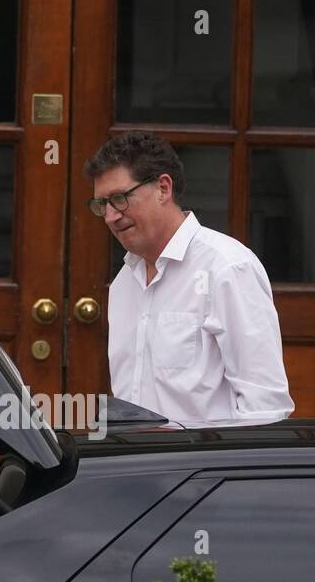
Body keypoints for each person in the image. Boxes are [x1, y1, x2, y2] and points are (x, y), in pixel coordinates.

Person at [84, 130, 294, 425]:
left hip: (206, 467)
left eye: (119, 199)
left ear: (163, 188)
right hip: (138, 463)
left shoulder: (227, 268)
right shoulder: (124, 283)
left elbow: (264, 407)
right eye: (101, 205)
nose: (110, 217)